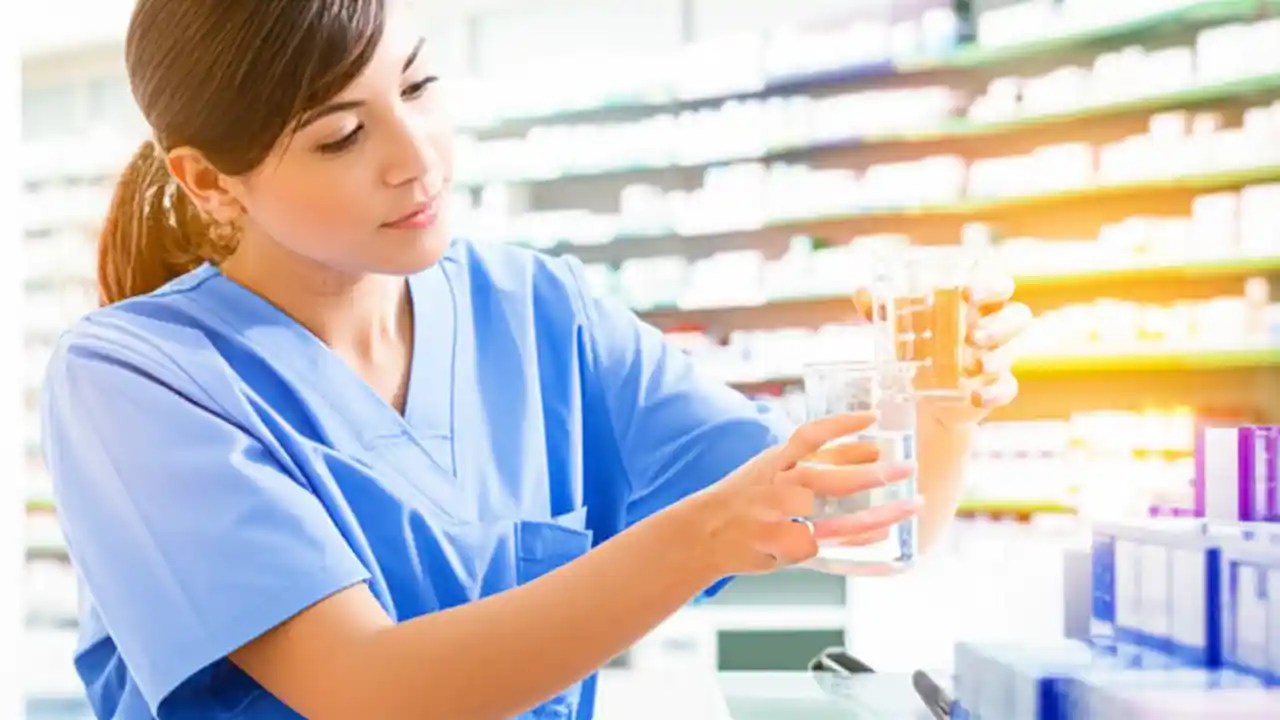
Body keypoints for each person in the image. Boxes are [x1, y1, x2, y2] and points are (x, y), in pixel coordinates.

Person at [40, 1, 1031, 718]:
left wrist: (938, 412)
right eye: (341, 135)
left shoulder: (536, 309)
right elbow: (365, 691)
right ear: (210, 180)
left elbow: (848, 529)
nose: (414, 156)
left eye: (418, 85)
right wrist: (700, 537)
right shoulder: (136, 377)